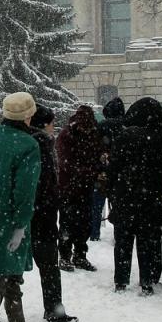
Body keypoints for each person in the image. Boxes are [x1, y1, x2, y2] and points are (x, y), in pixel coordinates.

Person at [0, 92, 43, 322]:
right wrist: (21, 224)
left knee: (5, 272)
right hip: (9, 217)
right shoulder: (28, 144)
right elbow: (25, 189)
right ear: (28, 116)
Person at [108, 97, 162, 296]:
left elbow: (114, 168)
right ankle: (147, 280)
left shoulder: (124, 137)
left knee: (123, 241)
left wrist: (113, 187)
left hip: (125, 196)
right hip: (151, 198)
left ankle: (121, 280)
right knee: (147, 240)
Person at [27, 105, 79, 322]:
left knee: (8, 271)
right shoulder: (42, 145)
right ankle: (54, 308)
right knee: (48, 265)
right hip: (42, 214)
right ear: (43, 125)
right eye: (51, 123)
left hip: (26, 213)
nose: (53, 128)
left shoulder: (22, 142)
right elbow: (47, 183)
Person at [55, 105, 103, 272]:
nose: (87, 130)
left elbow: (96, 155)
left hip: (85, 187)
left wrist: (98, 168)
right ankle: (65, 256)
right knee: (67, 222)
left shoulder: (92, 133)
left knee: (84, 223)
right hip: (69, 187)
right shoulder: (66, 135)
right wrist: (91, 172)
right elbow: (65, 163)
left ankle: (80, 255)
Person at [92, 98, 125, 242]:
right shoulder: (125, 127)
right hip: (119, 172)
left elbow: (94, 147)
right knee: (119, 205)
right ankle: (119, 234)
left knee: (97, 206)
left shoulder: (101, 126)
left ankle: (94, 233)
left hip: (101, 172)